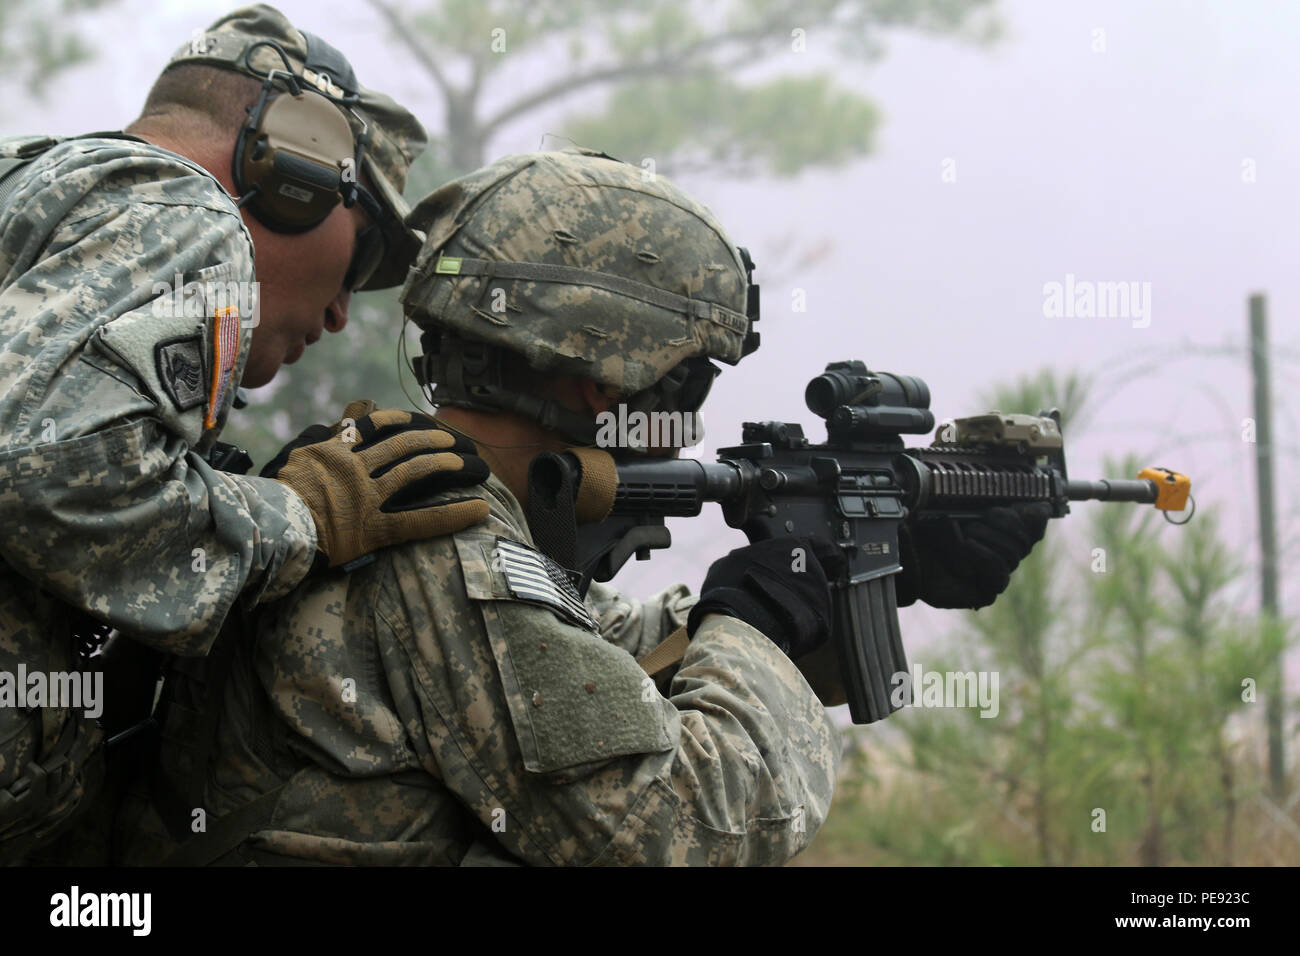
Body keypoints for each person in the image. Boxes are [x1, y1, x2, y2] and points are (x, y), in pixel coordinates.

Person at [119, 149, 1049, 866]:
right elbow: (689, 830)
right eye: (687, 383)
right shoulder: (443, 540)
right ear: (610, 383)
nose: (686, 418)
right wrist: (754, 621)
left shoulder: (408, 488)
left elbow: (598, 660)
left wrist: (866, 583)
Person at [0, 4, 489, 859]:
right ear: (289, 168)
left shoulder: (43, 197)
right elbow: (55, 472)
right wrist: (300, 515)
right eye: (363, 253)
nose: (342, 313)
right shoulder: (187, 215)